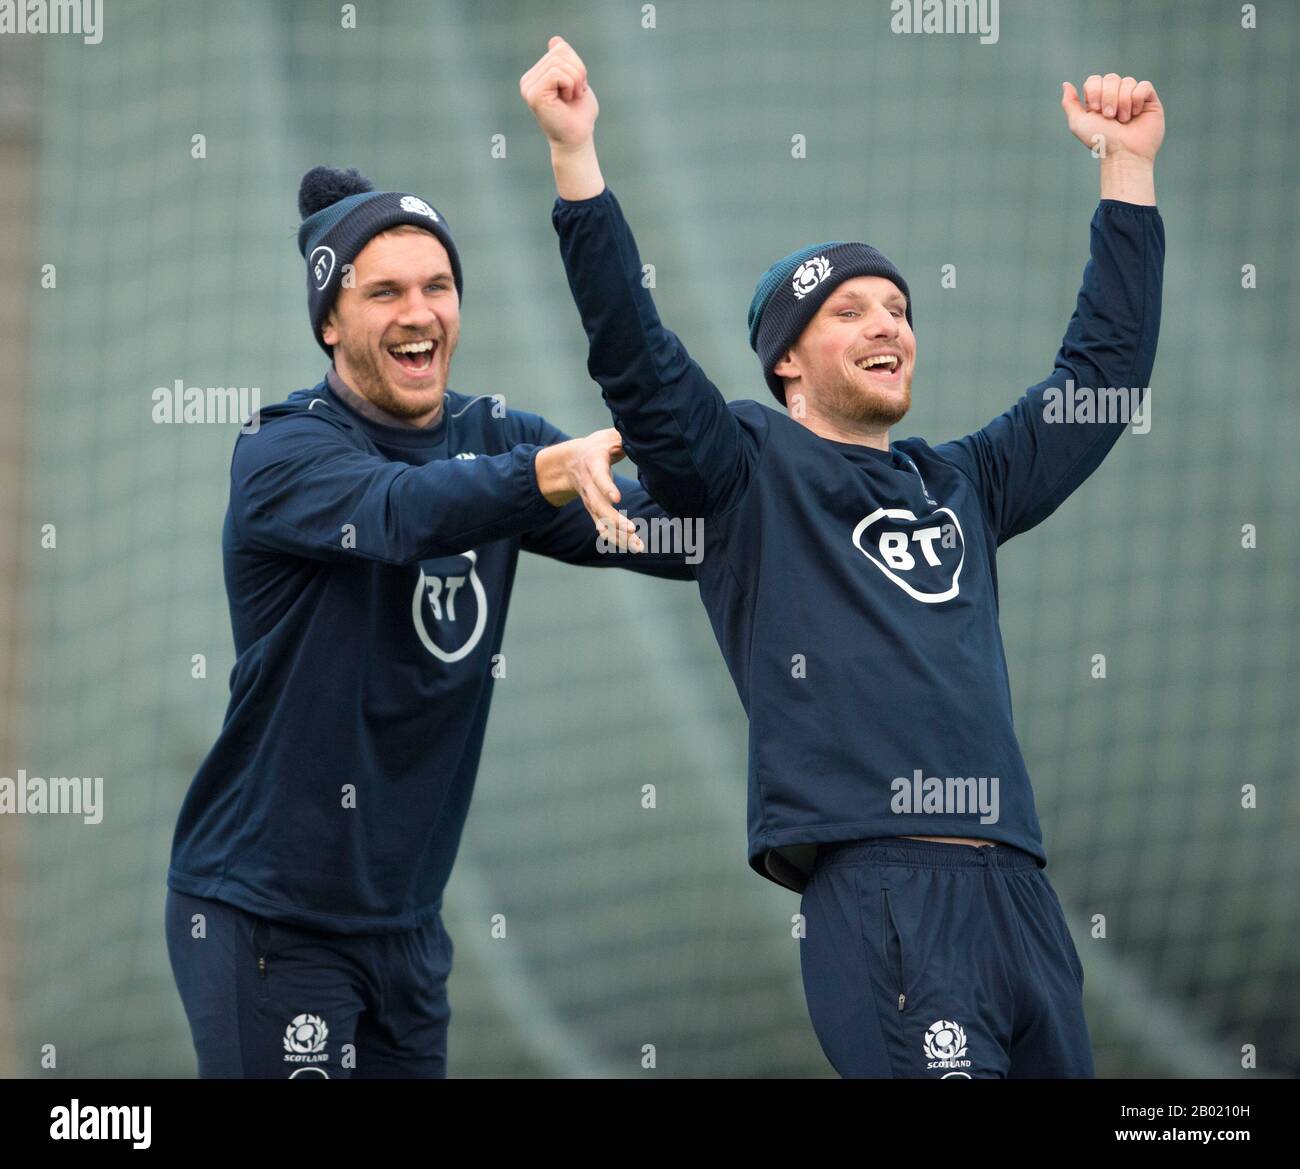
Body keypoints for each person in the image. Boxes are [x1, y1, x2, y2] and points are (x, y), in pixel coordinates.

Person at [522, 37, 1165, 1077]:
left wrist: (1126, 171)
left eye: (901, 309)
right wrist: (575, 161)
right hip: (884, 895)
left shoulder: (962, 478)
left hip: (1019, 894)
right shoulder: (745, 470)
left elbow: (1102, 376)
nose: (889, 325)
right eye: (850, 310)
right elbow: (640, 364)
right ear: (787, 360)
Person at [165, 165, 692, 1078]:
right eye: (385, 292)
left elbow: (660, 532)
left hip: (406, 932)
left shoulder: (497, 437)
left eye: (437, 286)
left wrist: (789, 492)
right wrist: (540, 475)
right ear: (330, 320)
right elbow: (403, 510)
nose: (420, 311)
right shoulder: (283, 449)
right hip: (269, 920)